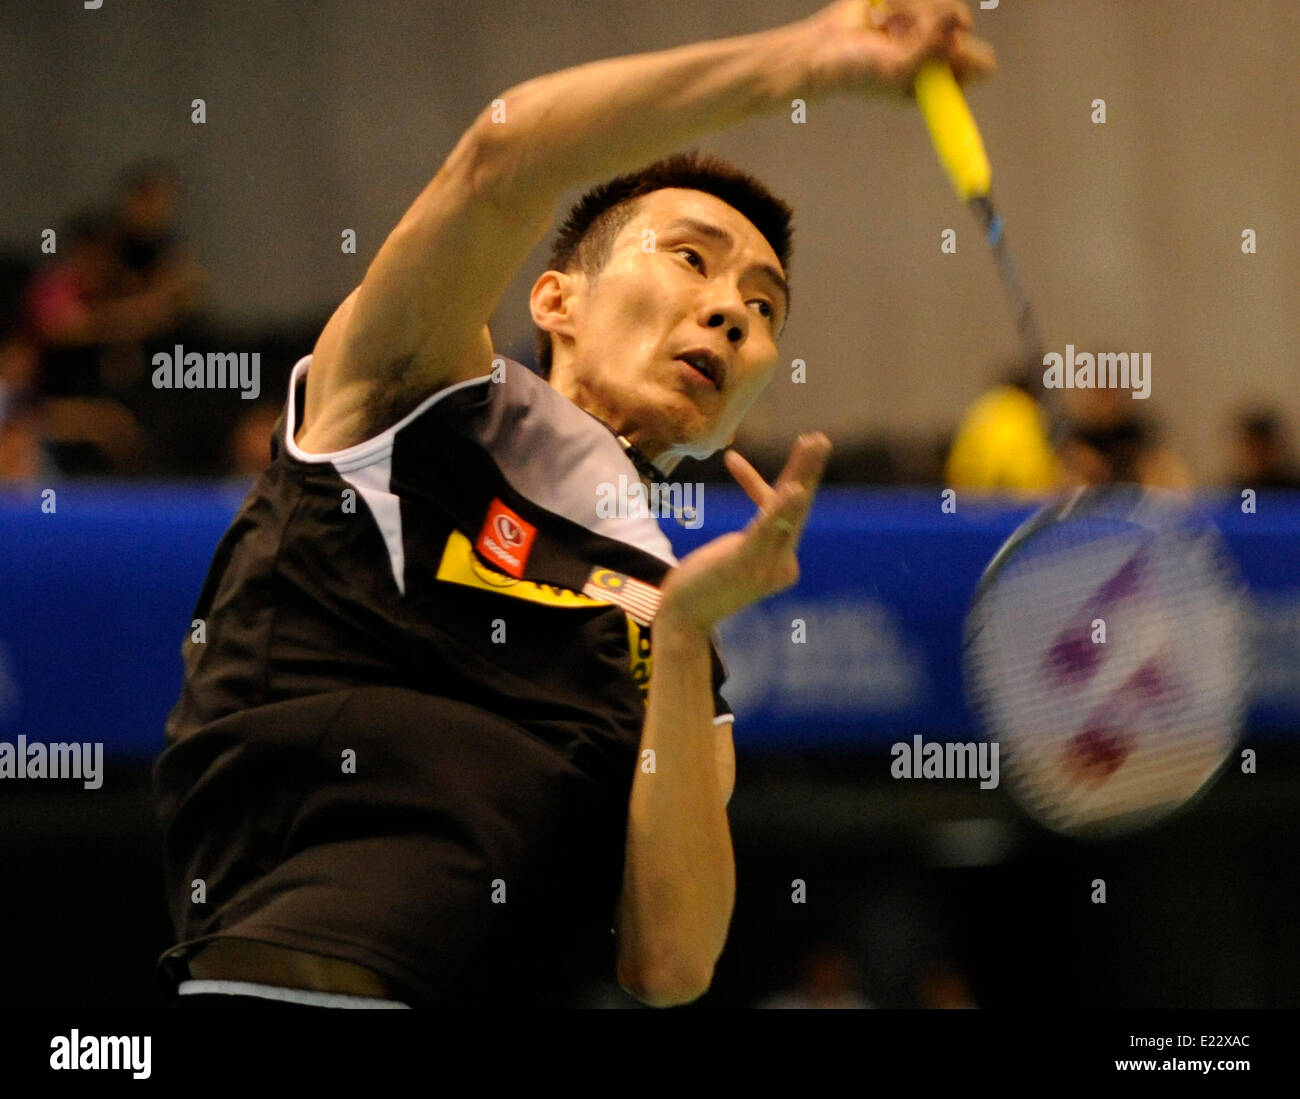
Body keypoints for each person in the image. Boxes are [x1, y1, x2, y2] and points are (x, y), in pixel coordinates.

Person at [152, 0, 995, 1009]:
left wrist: (684, 639)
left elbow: (671, 962)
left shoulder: (669, 616)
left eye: (764, 307)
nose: (730, 309)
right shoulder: (413, 405)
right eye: (689, 258)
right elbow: (499, 158)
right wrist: (806, 59)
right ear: (554, 300)